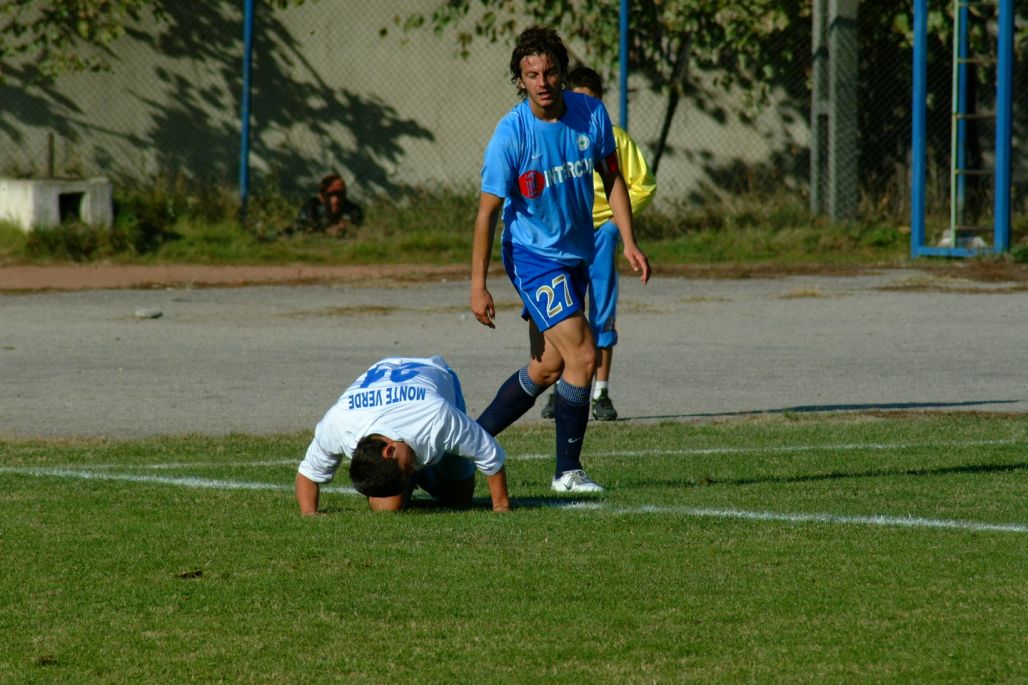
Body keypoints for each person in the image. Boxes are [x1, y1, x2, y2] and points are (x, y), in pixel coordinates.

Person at [470, 27, 651, 494]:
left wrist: (628, 240)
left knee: (548, 366)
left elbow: (613, 178)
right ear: (520, 80)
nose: (543, 81)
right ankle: (567, 472)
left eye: (550, 71)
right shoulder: (511, 134)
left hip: (576, 251)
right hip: (532, 256)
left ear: (562, 72)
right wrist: (478, 284)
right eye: (532, 74)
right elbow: (488, 212)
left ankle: (469, 442)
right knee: (584, 353)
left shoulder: (591, 114)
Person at [539, 65, 657, 422]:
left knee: (601, 313)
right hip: (565, 237)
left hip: (601, 234)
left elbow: (642, 184)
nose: (583, 105)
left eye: (591, 98)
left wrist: (615, 226)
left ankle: (600, 393)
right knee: (562, 312)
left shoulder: (613, 137)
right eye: (577, 97)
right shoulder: (555, 135)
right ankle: (561, 387)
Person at [294, 355, 511, 513]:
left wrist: (501, 507)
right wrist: (309, 514)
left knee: (459, 499)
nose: (410, 471)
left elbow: (488, 453)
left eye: (408, 470)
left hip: (435, 374)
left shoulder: (436, 417)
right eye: (409, 471)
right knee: (385, 507)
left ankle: (425, 471)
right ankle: (414, 473)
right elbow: (308, 473)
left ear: (389, 451)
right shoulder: (340, 422)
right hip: (389, 391)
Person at [291, 173, 363, 237]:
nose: (336, 200)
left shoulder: (352, 209)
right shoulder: (313, 207)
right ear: (322, 197)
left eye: (340, 195)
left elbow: (354, 229)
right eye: (331, 195)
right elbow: (299, 228)